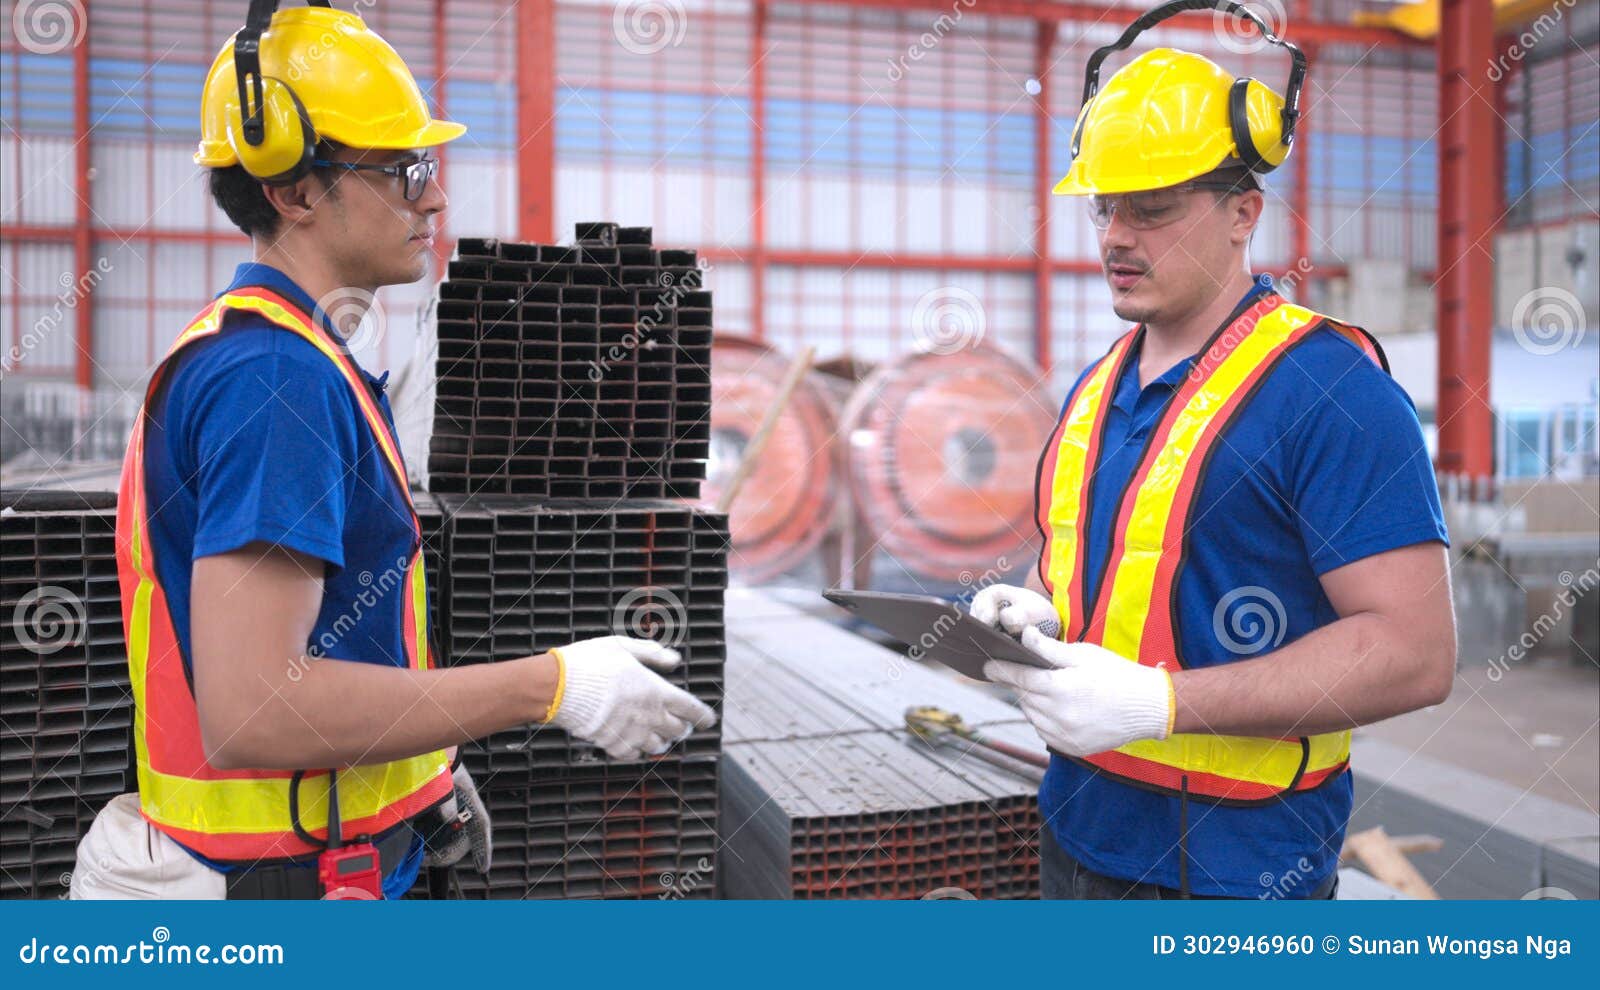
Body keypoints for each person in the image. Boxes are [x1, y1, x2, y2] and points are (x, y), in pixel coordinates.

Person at [72, 2, 713, 900]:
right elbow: (259, 707)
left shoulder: (298, 357)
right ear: (295, 193)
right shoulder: (272, 382)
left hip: (321, 863)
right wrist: (551, 686)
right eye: (405, 169)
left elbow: (342, 639)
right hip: (277, 899)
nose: (436, 197)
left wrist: (421, 779)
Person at [969, 20, 1454, 901]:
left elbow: (1414, 654)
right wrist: (1038, 608)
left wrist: (1162, 707)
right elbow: (1126, 581)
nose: (1117, 235)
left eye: (1151, 206)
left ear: (1244, 213)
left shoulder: (1329, 392)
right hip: (1075, 837)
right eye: (1104, 205)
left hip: (1238, 876)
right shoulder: (1097, 388)